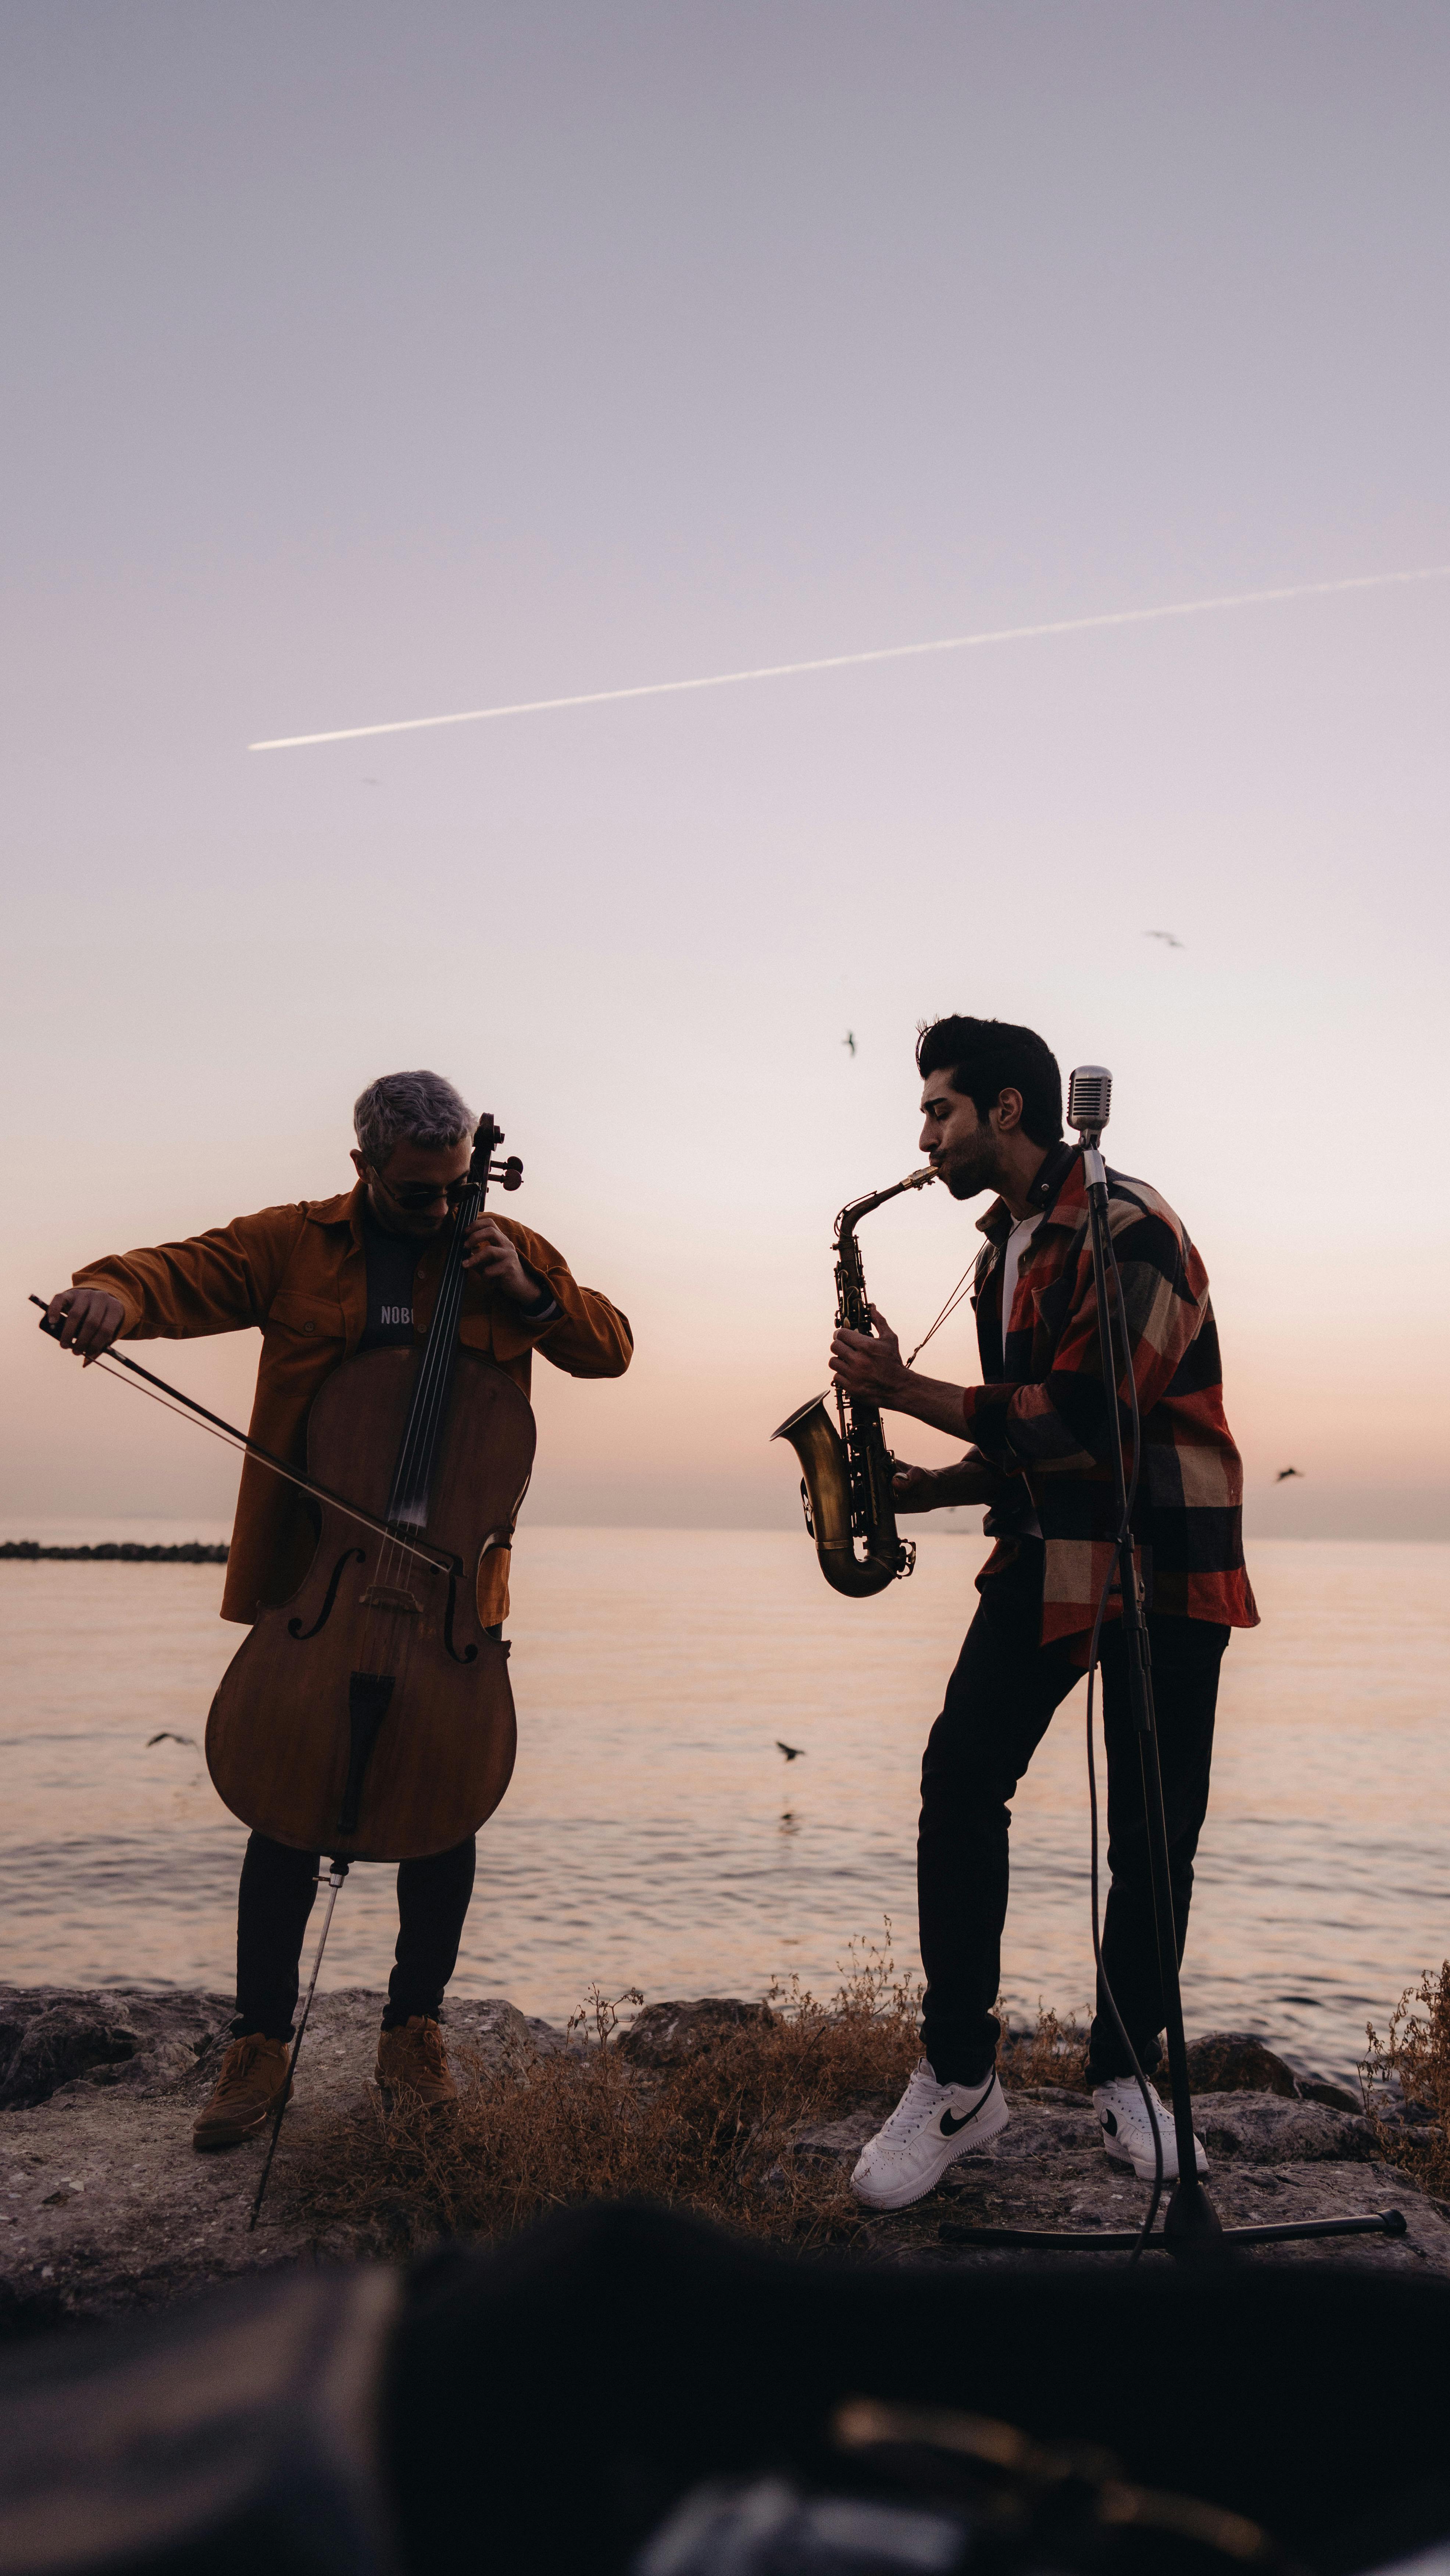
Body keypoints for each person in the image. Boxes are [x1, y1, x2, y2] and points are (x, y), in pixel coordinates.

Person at [46, 1070, 632, 2150]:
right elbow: (181, 1273)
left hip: (452, 1589)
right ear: (361, 1166)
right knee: (282, 1804)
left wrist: (531, 1293)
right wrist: (111, 1295)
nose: (444, 1209)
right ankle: (258, 2045)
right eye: (418, 1193)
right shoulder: (295, 1244)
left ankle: (414, 2032)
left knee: (447, 1803)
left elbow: (611, 1350)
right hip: (318, 1573)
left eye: (456, 1189)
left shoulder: (505, 1247)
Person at [829, 1017, 1257, 2211]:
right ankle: (961, 2080)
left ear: (1007, 1111)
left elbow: (1085, 1420)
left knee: (1154, 1834)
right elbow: (1027, 1436)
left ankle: (1125, 2076)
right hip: (1048, 1552)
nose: (924, 1138)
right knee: (961, 1779)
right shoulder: (1000, 1253)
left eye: (939, 1111)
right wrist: (924, 1485)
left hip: (1164, 1558)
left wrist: (901, 1387)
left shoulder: (1133, 1228)